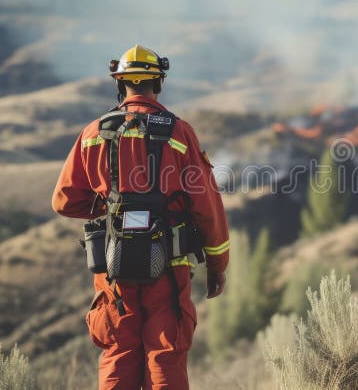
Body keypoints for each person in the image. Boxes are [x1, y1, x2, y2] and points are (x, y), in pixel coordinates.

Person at [52, 45, 229, 390]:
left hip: (115, 269)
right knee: (166, 351)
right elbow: (207, 206)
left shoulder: (93, 134)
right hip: (169, 268)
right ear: (157, 83)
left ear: (119, 84)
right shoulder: (179, 134)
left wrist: (108, 208)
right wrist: (217, 265)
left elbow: (63, 200)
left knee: (119, 350)